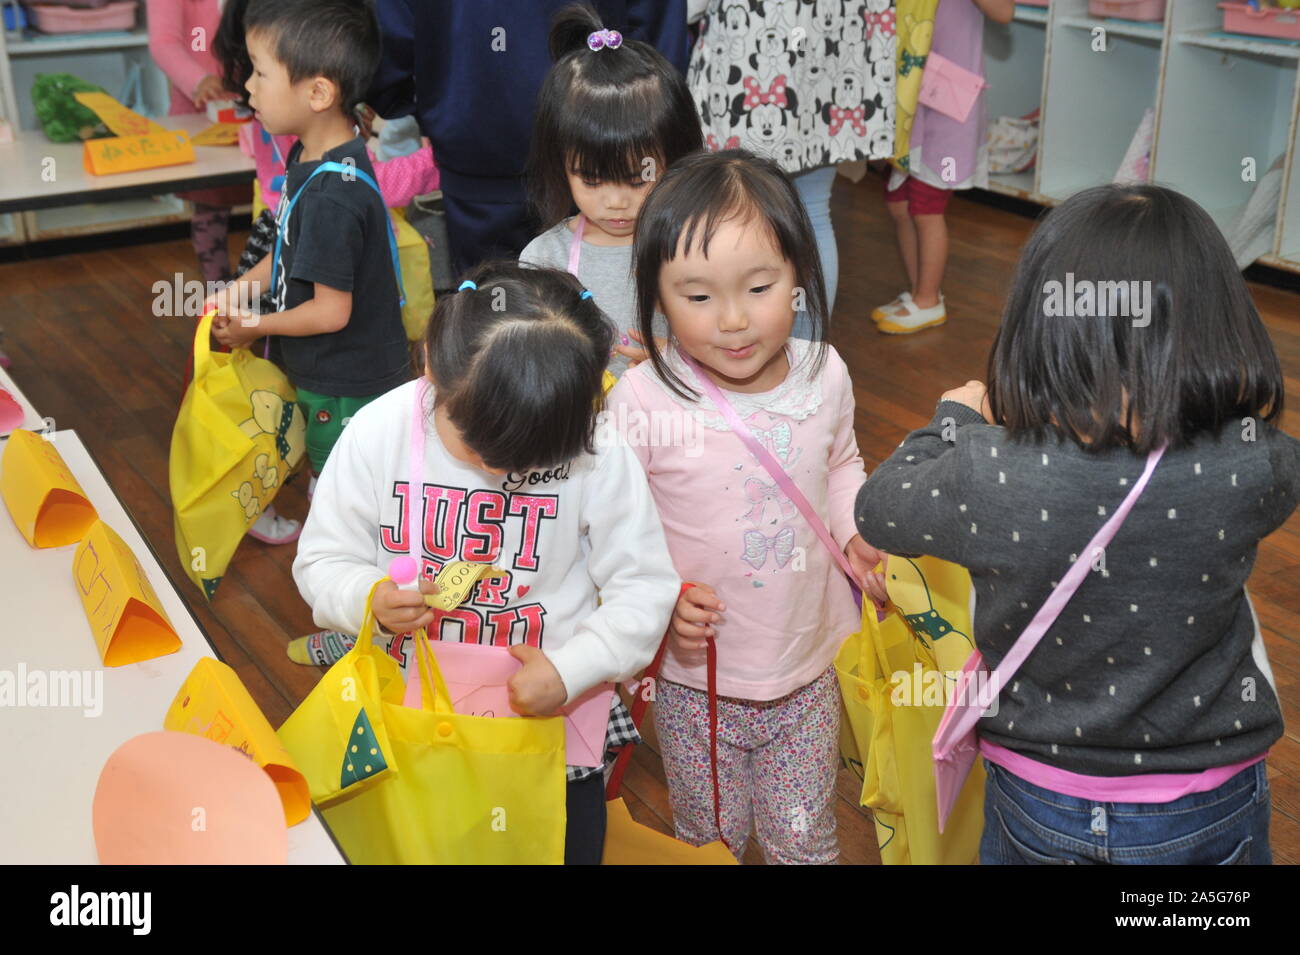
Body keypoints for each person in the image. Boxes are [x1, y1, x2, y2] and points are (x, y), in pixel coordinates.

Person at [856, 184, 1297, 865]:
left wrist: (954, 419)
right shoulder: (1251, 466)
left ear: (1041, 331)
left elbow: (879, 506)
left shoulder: (990, 472)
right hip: (1204, 798)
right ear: (1219, 328)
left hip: (1042, 794)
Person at [293, 261, 680, 864]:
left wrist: (573, 668)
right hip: (405, 711)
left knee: (554, 847)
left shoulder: (597, 445)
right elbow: (321, 558)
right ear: (431, 368)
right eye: (477, 447)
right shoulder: (376, 432)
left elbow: (645, 586)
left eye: (529, 459)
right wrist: (365, 596)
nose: (501, 471)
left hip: (548, 722)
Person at [606, 150, 889, 863]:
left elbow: (841, 463)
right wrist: (663, 600)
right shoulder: (641, 400)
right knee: (711, 840)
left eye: (759, 286)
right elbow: (607, 528)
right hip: (693, 682)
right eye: (697, 297)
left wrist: (854, 531)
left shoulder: (826, 374)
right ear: (657, 297)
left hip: (807, 665)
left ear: (799, 272)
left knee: (805, 841)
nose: (732, 320)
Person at [206, 0, 410, 544]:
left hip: (348, 383)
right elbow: (289, 250)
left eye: (260, 72)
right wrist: (239, 291)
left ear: (318, 93)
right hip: (330, 369)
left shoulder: (332, 196)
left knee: (345, 504)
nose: (247, 87)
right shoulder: (315, 157)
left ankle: (360, 613)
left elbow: (330, 310)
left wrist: (257, 327)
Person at [365, 0, 690, 275]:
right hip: (605, 133)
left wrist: (423, 107)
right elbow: (658, 23)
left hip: (483, 132)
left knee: (494, 310)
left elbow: (391, 34)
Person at [689, 0, 899, 329]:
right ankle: (808, 356)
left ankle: (740, 347)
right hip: (833, 48)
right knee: (814, 212)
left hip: (753, 51)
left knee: (730, 208)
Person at [520, 4, 702, 375]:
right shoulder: (544, 258)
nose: (617, 202)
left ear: (677, 158)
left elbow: (729, 338)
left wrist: (679, 361)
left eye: (638, 179)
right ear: (560, 165)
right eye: (591, 180)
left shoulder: (695, 245)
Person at [873, 0, 1014, 333]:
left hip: (948, 100)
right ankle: (919, 291)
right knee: (899, 204)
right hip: (907, 98)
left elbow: (1005, 12)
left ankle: (928, 300)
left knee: (926, 206)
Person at [148, 0, 251, 283]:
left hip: (258, 112)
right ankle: (217, 302)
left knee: (271, 204)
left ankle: (268, 297)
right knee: (210, 210)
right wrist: (199, 80)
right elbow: (163, 42)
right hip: (200, 118)